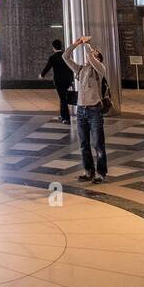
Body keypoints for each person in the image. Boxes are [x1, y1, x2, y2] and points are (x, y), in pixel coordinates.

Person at [64, 35, 109, 183]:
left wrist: (87, 45)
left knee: (98, 144)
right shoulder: (81, 70)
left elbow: (90, 57)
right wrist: (76, 43)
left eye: (96, 54)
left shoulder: (100, 69)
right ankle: (88, 171)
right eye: (92, 52)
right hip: (81, 111)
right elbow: (65, 56)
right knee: (84, 144)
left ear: (98, 59)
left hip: (94, 110)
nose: (92, 54)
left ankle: (101, 173)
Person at [39, 38, 74, 122]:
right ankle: (62, 115)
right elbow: (71, 67)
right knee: (63, 98)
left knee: (63, 99)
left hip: (59, 81)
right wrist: (71, 79)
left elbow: (47, 68)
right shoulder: (66, 56)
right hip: (67, 80)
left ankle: (66, 118)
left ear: (53, 47)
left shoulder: (53, 57)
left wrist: (42, 75)